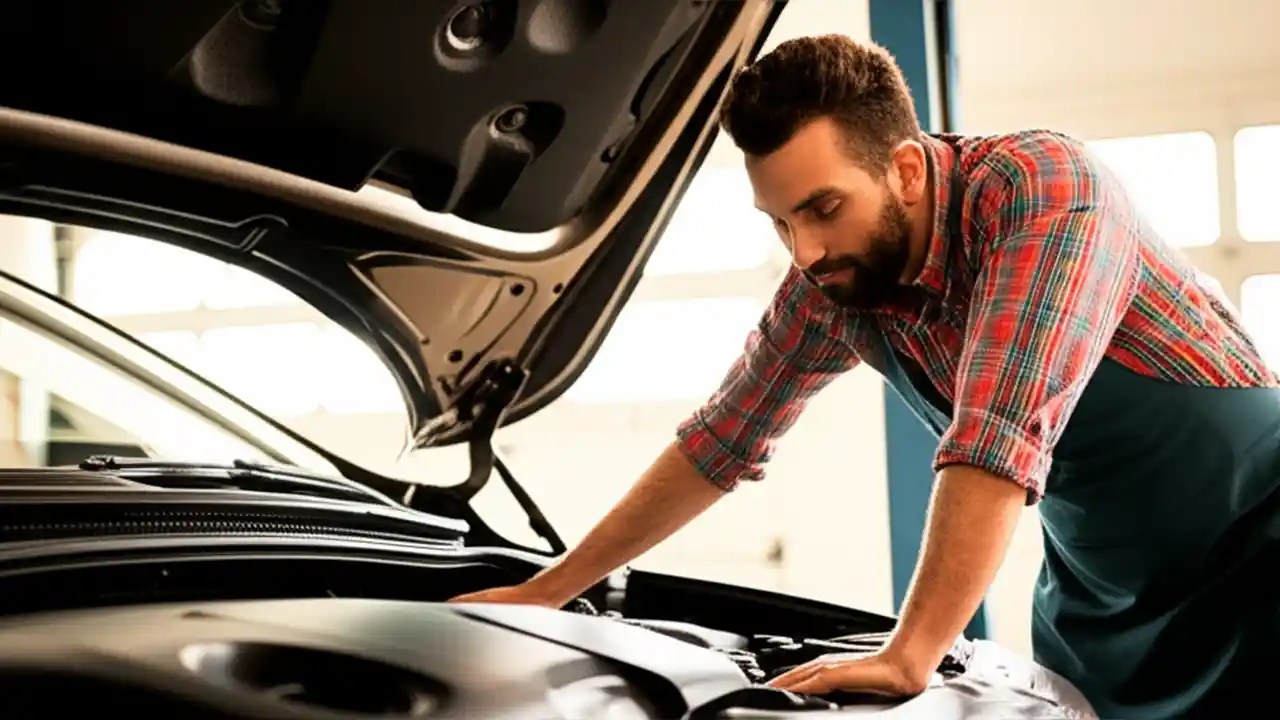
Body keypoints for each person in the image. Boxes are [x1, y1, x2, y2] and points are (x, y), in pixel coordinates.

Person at [450, 34, 1279, 718]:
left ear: (907, 171)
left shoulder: (1044, 191)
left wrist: (910, 654)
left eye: (822, 207)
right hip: (1103, 601)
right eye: (779, 222)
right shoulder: (836, 284)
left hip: (1259, 553)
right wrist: (549, 589)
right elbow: (720, 442)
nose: (804, 251)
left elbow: (997, 431)